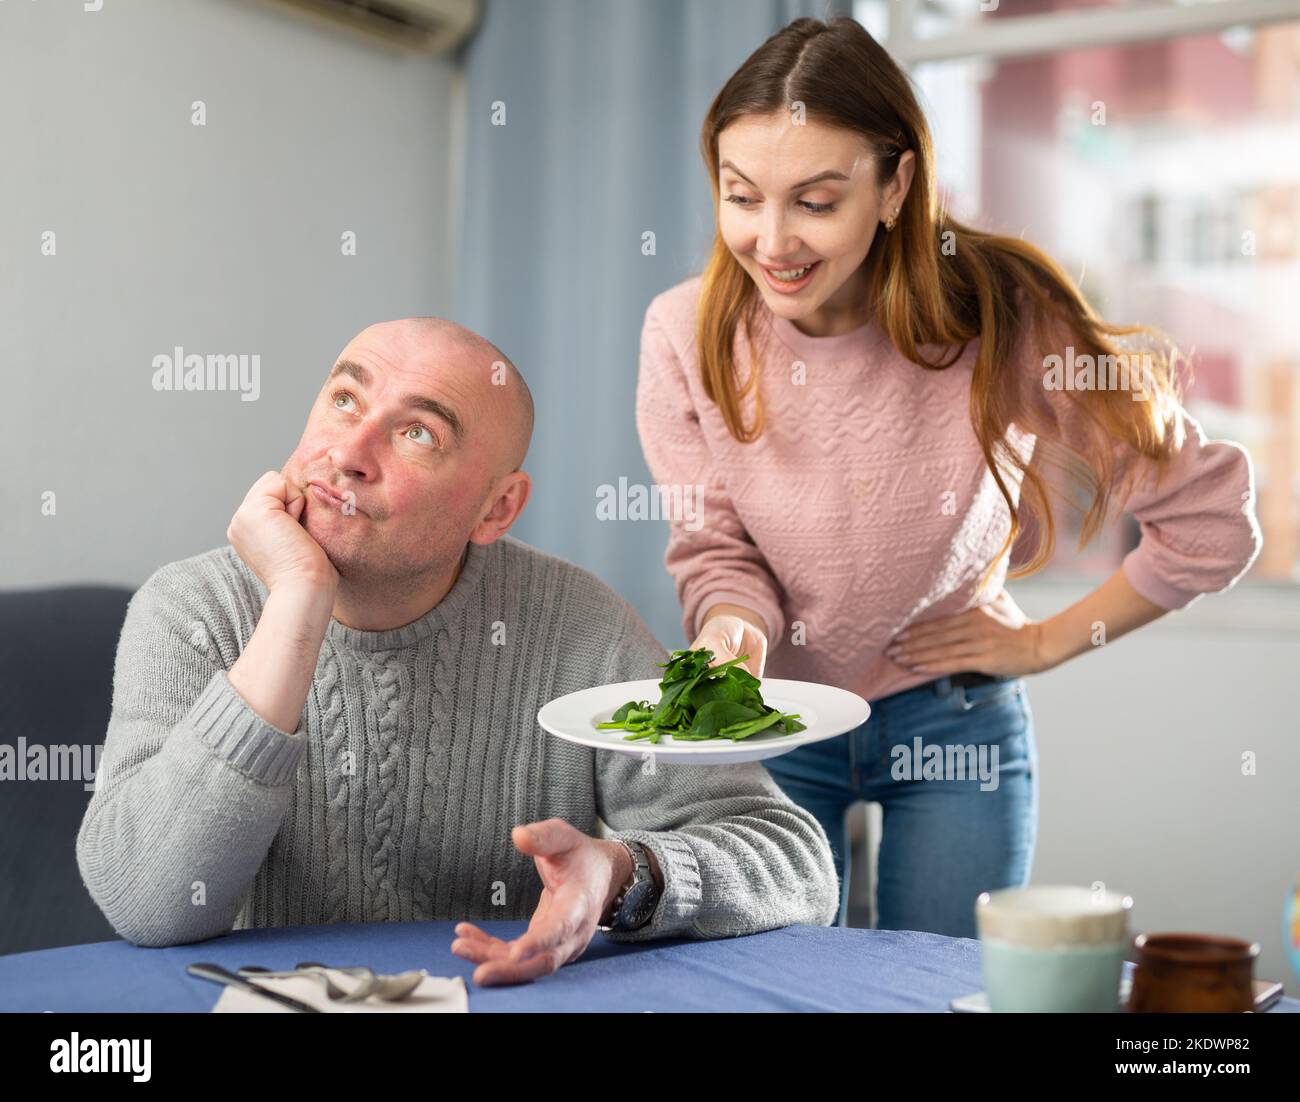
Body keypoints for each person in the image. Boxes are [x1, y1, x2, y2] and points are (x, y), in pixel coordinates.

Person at [635, 16, 1262, 937]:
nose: (770, 241)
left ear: (896, 185)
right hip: (774, 720)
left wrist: (1046, 643)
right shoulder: (683, 333)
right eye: (742, 196)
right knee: (775, 990)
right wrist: (732, 634)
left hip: (954, 721)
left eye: (815, 201)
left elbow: (1210, 526)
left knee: (942, 990)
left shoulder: (998, 315)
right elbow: (715, 544)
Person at [76, 317, 838, 985]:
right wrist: (295, 606)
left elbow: (795, 862)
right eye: (345, 399)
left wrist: (619, 873)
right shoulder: (189, 612)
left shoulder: (576, 626)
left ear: (497, 508)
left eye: (417, 433)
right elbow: (147, 901)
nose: (349, 452)